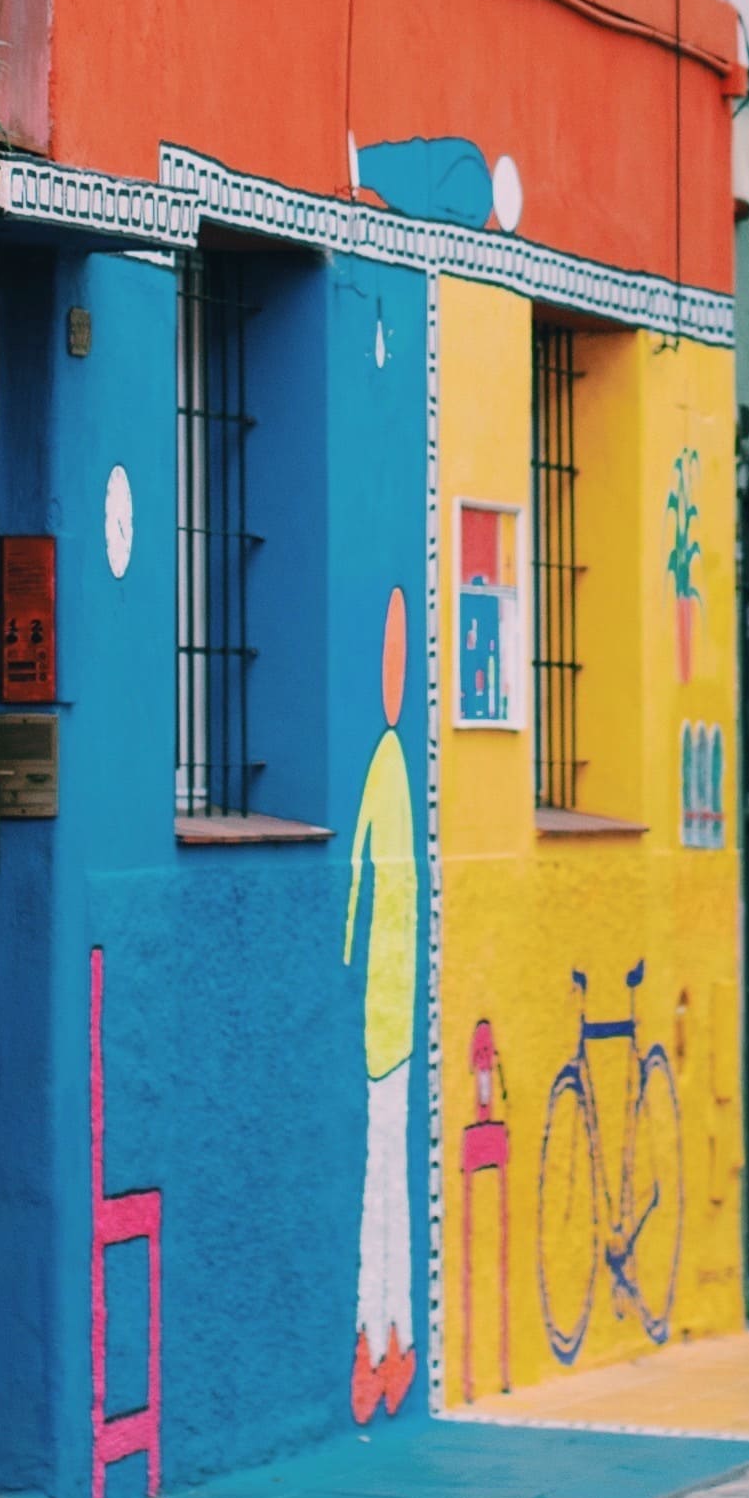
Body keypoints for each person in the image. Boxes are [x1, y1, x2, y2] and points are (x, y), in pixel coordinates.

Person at [341, 587, 420, 1422]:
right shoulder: (387, 771)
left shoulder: (382, 771)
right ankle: (380, 1343)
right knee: (384, 1184)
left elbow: (361, 889)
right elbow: (368, 885)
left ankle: (385, 1343)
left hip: (384, 1022)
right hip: (385, 1023)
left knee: (383, 1184)